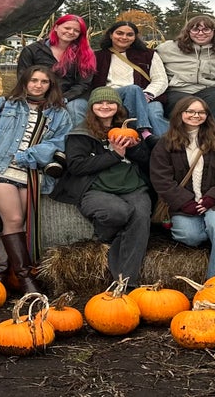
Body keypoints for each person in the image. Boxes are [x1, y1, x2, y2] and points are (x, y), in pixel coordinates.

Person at [0, 65, 73, 294]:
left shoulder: (59, 114)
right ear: (25, 82)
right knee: (15, 217)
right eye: (33, 80)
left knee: (15, 224)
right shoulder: (4, 104)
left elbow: (61, 142)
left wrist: (34, 154)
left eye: (44, 82)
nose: (38, 85)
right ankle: (26, 279)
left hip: (29, 171)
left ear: (51, 86)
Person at [51, 86, 153, 288]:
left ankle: (126, 282)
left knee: (141, 217)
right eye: (99, 102)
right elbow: (77, 166)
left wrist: (135, 148)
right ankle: (105, 236)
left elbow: (146, 160)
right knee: (119, 213)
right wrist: (114, 155)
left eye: (110, 103)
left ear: (118, 106)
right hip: (95, 189)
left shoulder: (127, 130)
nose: (105, 106)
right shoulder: (81, 133)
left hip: (133, 186)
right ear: (91, 106)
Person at [150, 95, 215, 280]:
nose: (195, 115)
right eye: (190, 111)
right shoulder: (165, 143)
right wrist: (185, 202)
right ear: (180, 114)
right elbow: (161, 178)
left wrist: (213, 198)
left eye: (201, 112)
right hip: (184, 205)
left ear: (207, 115)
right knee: (190, 236)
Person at [155, 15, 215, 133]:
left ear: (214, 31)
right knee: (185, 106)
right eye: (195, 29)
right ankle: (181, 140)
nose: (200, 33)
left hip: (212, 89)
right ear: (188, 31)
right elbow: (148, 62)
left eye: (206, 29)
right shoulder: (167, 48)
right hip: (179, 89)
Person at [92, 20, 169, 137]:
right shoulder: (98, 56)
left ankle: (167, 147)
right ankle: (142, 132)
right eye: (119, 33)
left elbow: (160, 80)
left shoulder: (148, 55)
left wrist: (148, 94)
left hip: (145, 95)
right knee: (133, 89)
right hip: (111, 96)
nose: (124, 37)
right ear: (111, 34)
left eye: (129, 34)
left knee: (155, 114)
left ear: (135, 37)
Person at [17, 13, 96, 123]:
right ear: (56, 27)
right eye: (67, 28)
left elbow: (83, 84)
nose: (71, 32)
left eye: (76, 31)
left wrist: (62, 99)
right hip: (39, 94)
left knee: (74, 110)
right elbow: (23, 78)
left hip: (72, 97)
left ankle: (75, 139)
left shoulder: (84, 54)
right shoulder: (32, 51)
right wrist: (40, 98)